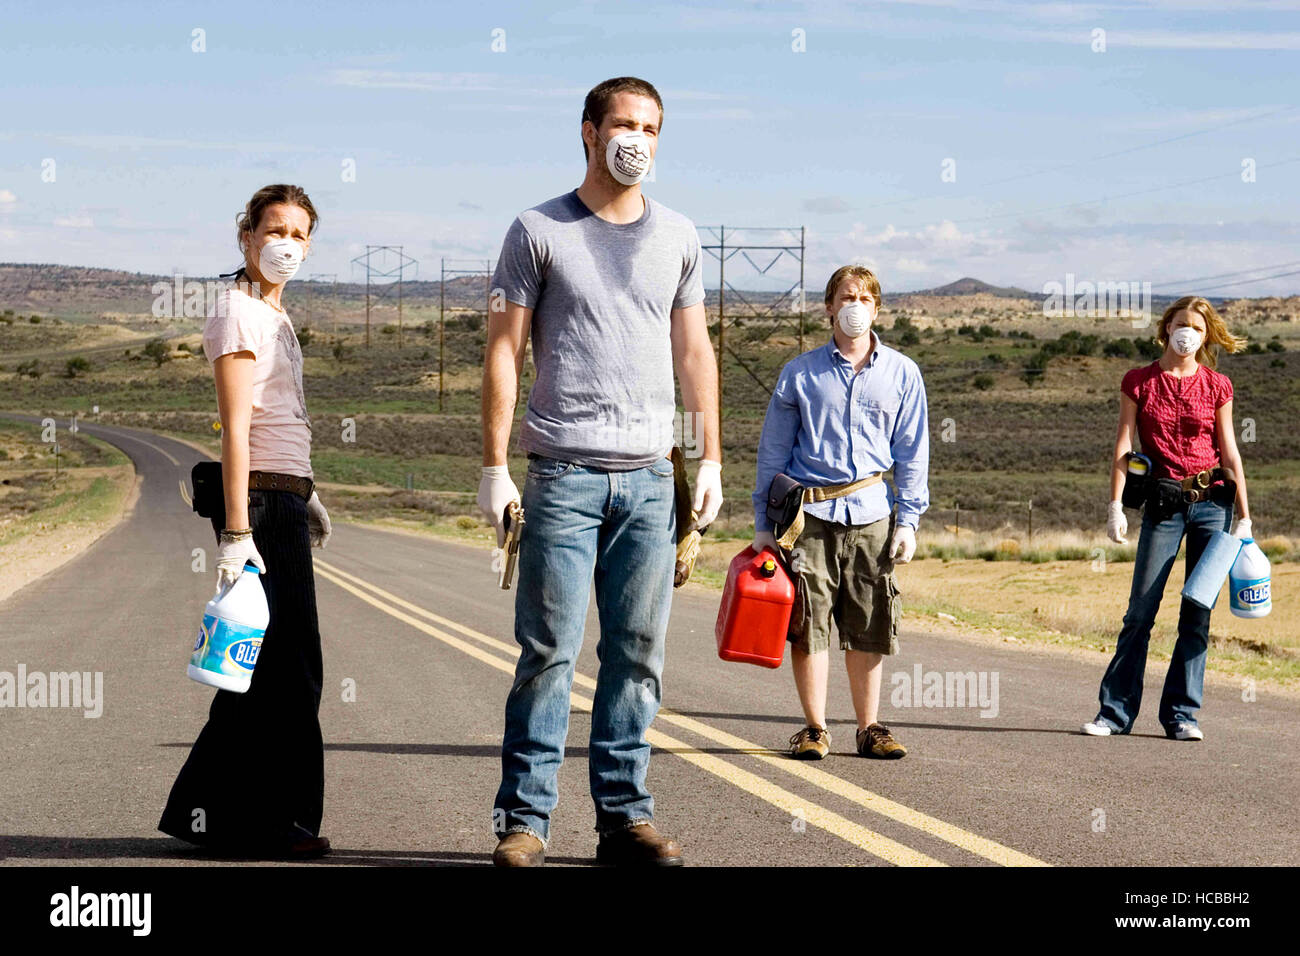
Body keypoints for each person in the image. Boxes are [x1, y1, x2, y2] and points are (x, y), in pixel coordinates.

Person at [479, 76, 722, 867]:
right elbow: (504, 350)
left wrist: (710, 457)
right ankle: (525, 822)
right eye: (623, 124)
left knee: (637, 655)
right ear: (588, 131)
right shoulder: (537, 230)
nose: (637, 141)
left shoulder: (679, 235)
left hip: (651, 482)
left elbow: (694, 353)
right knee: (548, 653)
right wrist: (494, 467)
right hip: (562, 475)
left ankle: (624, 821)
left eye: (650, 129)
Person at [159, 184, 334, 858]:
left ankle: (207, 815)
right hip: (259, 504)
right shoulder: (236, 311)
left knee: (257, 666)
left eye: (298, 233)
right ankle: (273, 822)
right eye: (274, 230)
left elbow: (279, 418)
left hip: (282, 496)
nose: (286, 244)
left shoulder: (274, 315)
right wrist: (237, 534)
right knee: (290, 669)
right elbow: (235, 429)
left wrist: (305, 491)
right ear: (247, 237)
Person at [752, 266, 929, 761]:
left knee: (869, 622)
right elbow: (772, 453)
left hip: (872, 514)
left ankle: (870, 728)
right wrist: (763, 525)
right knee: (808, 624)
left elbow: (913, 452)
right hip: (809, 517)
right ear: (829, 306)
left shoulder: (902, 373)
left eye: (865, 298)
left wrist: (908, 521)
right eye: (846, 297)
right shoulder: (799, 373)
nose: (856, 305)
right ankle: (814, 728)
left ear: (877, 309)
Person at [1083, 296, 1250, 741]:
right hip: (1163, 504)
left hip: (1213, 505)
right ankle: (1114, 714)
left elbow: (1230, 451)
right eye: (1181, 324)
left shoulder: (1218, 386)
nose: (1187, 333)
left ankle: (1182, 715)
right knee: (1140, 611)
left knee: (1197, 613)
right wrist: (1115, 505)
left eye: (1197, 327)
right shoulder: (1138, 381)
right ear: (1166, 328)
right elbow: (1124, 445)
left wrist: (1245, 517)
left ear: (1206, 336)